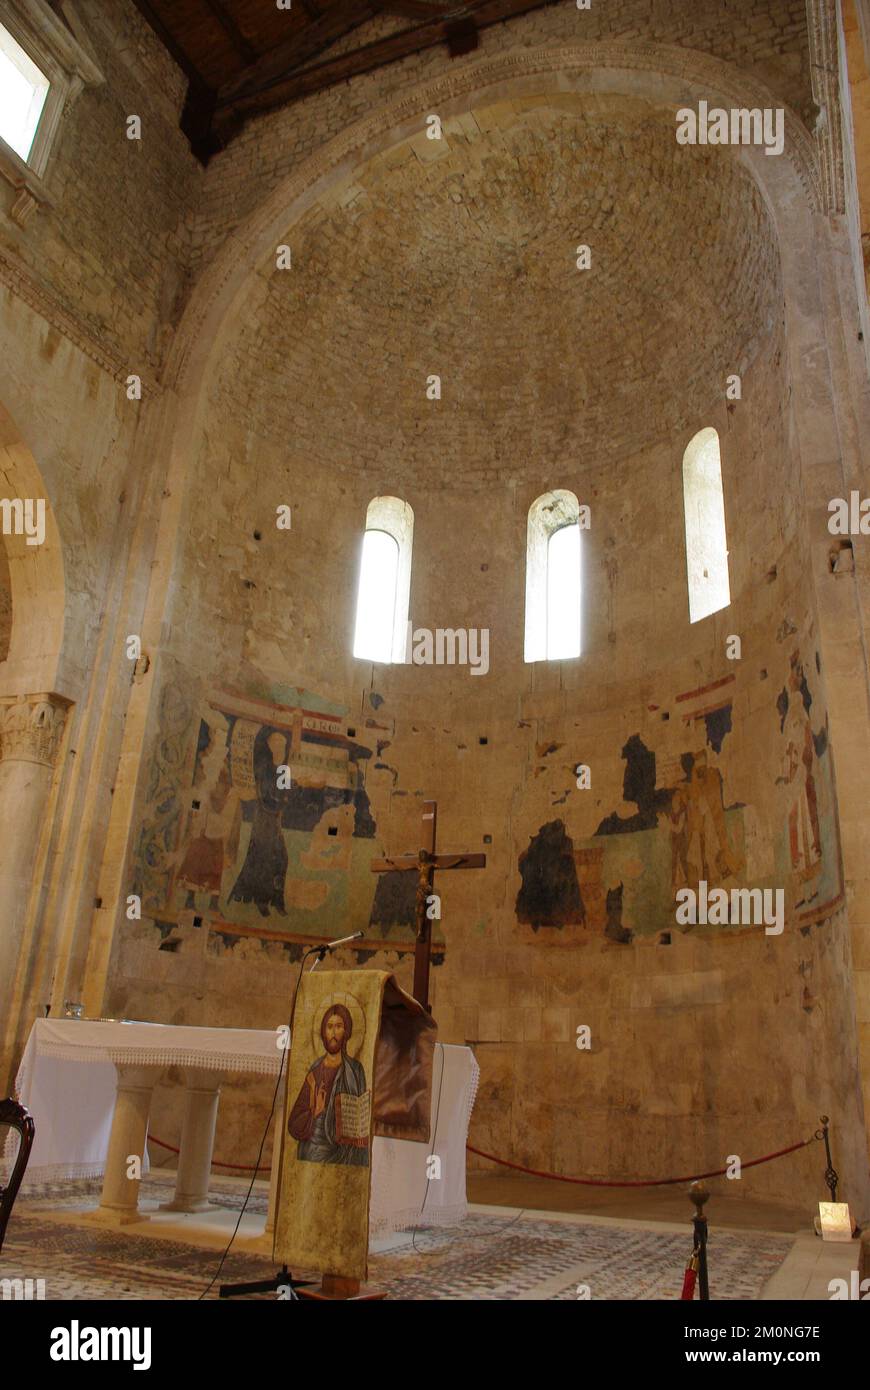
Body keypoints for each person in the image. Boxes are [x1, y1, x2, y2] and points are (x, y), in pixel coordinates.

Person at [288, 1003, 369, 1166]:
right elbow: (294, 1122)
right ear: (323, 1032)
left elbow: (362, 1121)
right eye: (329, 1026)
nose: (333, 1032)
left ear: (346, 1031)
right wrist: (314, 1112)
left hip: (344, 1151)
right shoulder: (315, 1072)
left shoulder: (355, 1070)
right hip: (315, 1149)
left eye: (338, 1026)